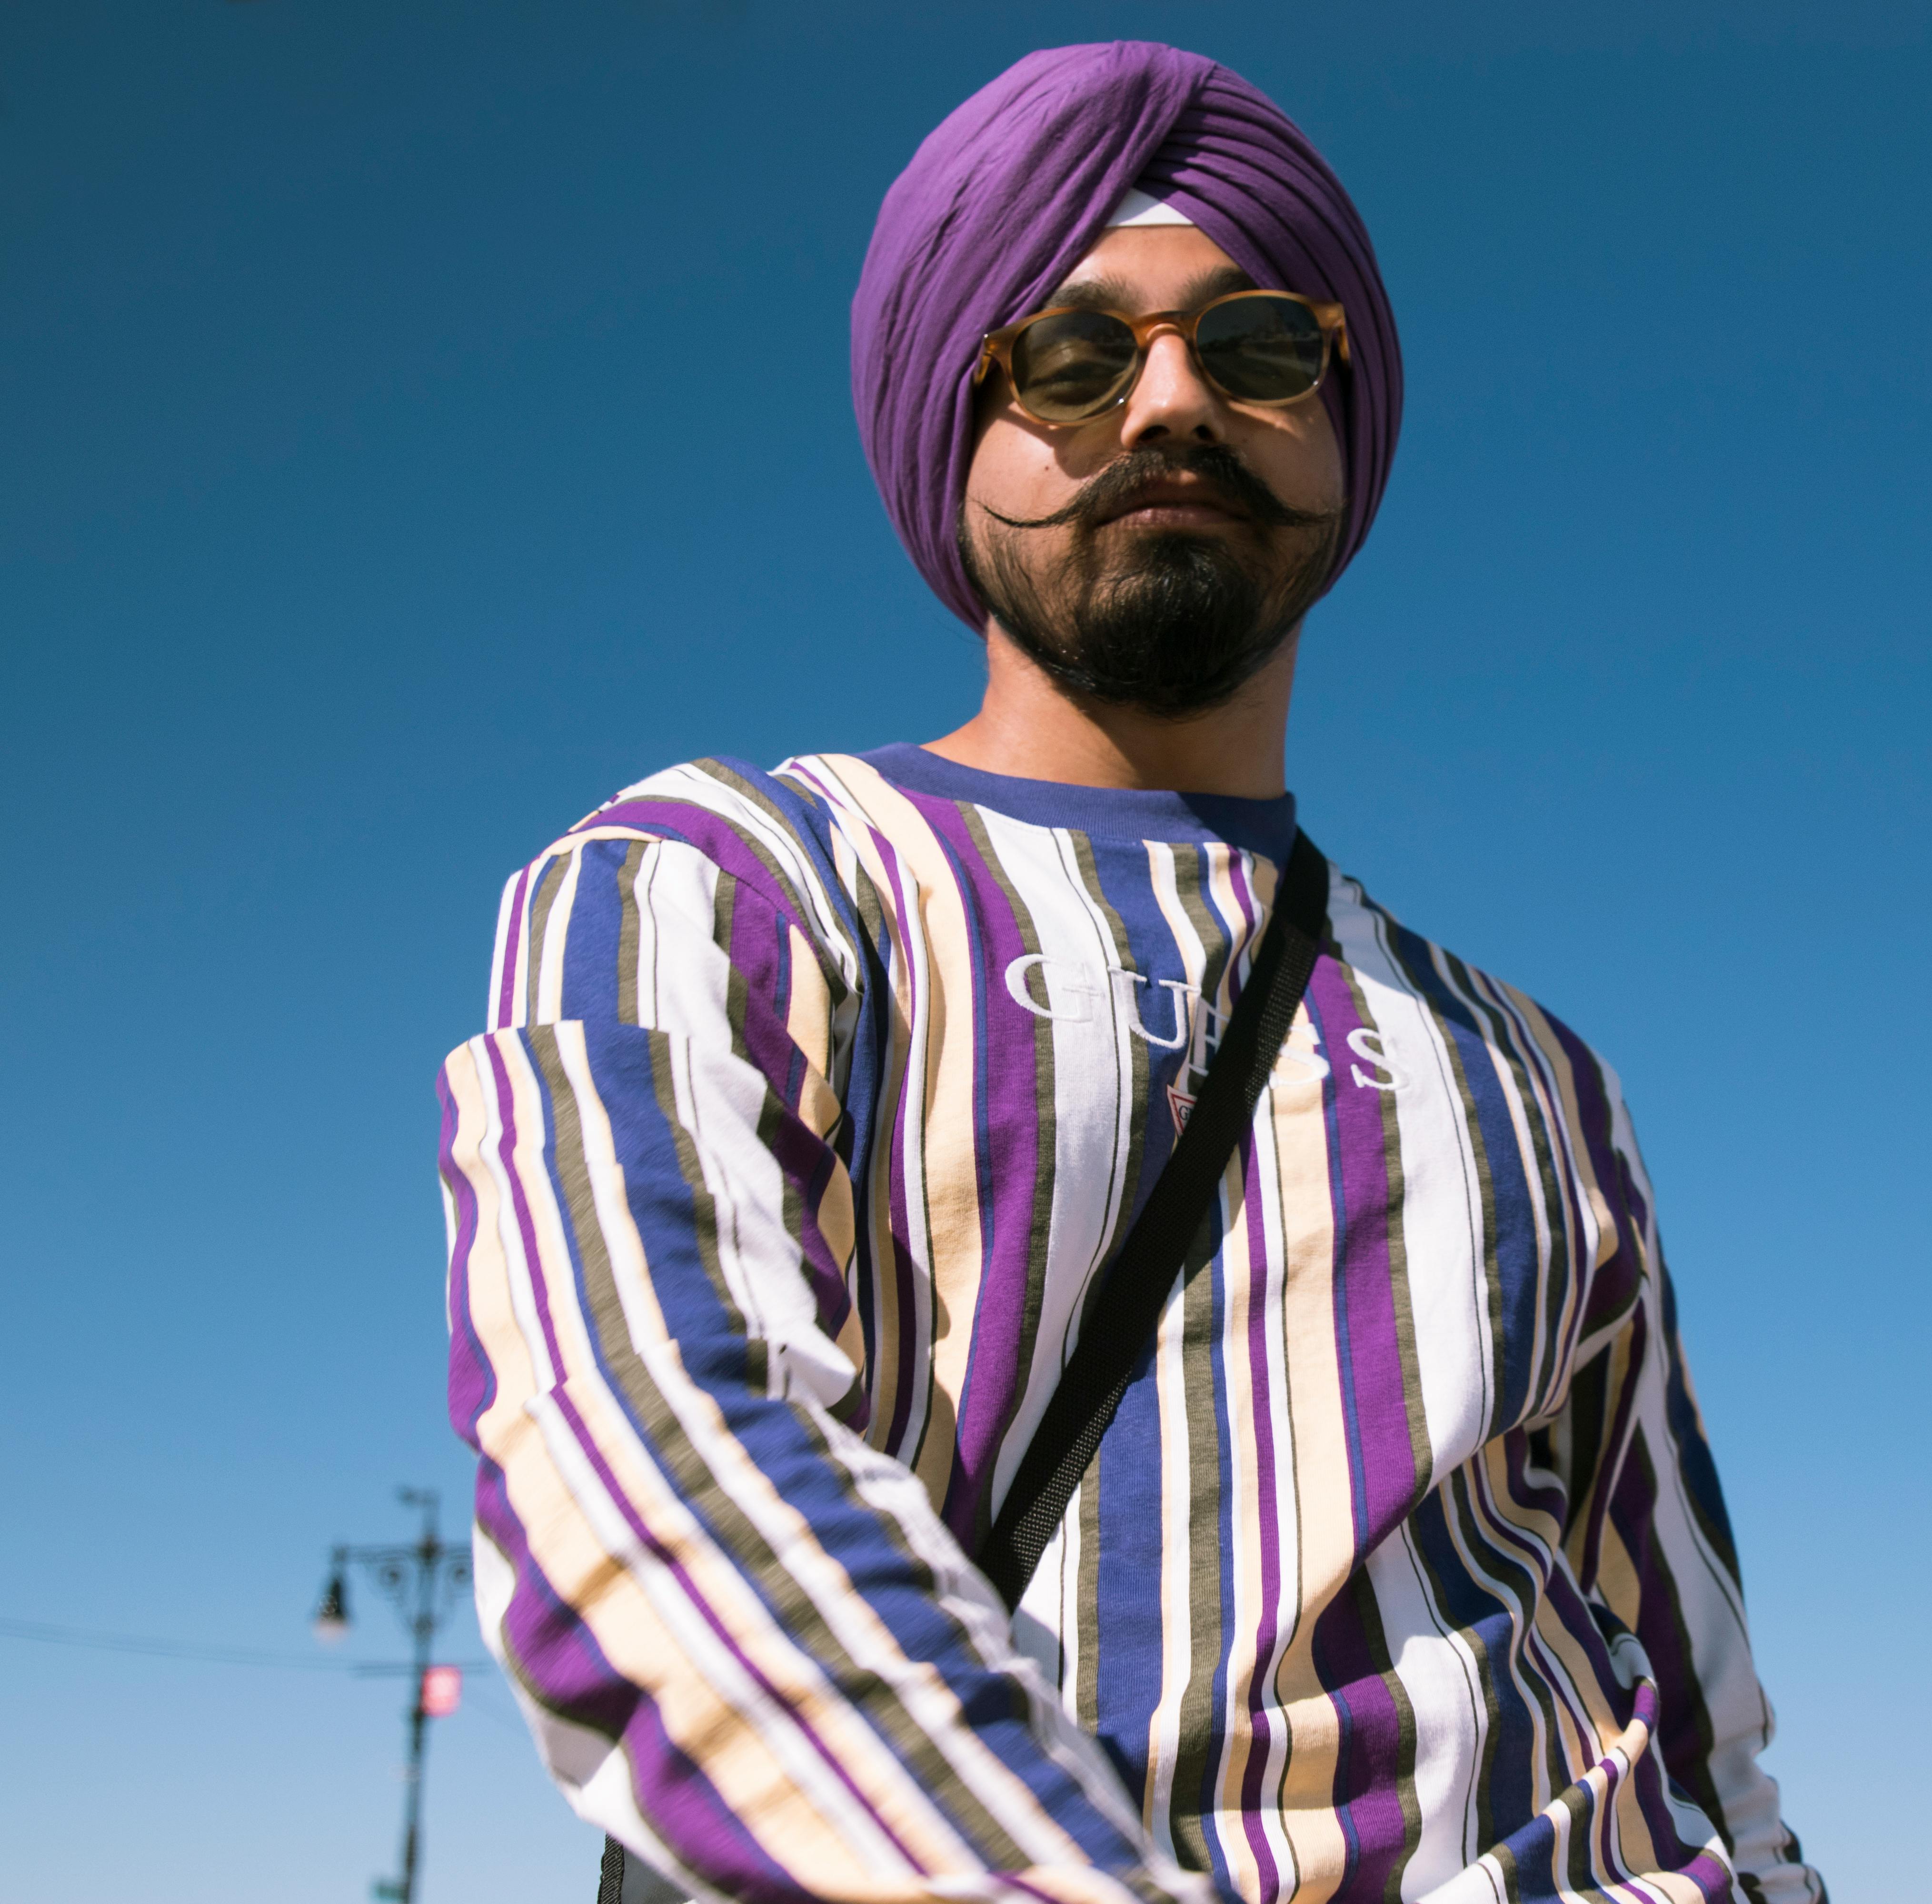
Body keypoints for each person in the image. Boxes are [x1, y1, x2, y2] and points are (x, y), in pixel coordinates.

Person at [437, 41, 1824, 1904]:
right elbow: (655, 1480)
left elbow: (1694, 1689)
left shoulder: (1538, 1077)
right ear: (960, 421)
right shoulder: (721, 892)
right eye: (1075, 357)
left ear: (1340, 413)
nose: (1171, 400)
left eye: (1251, 347)